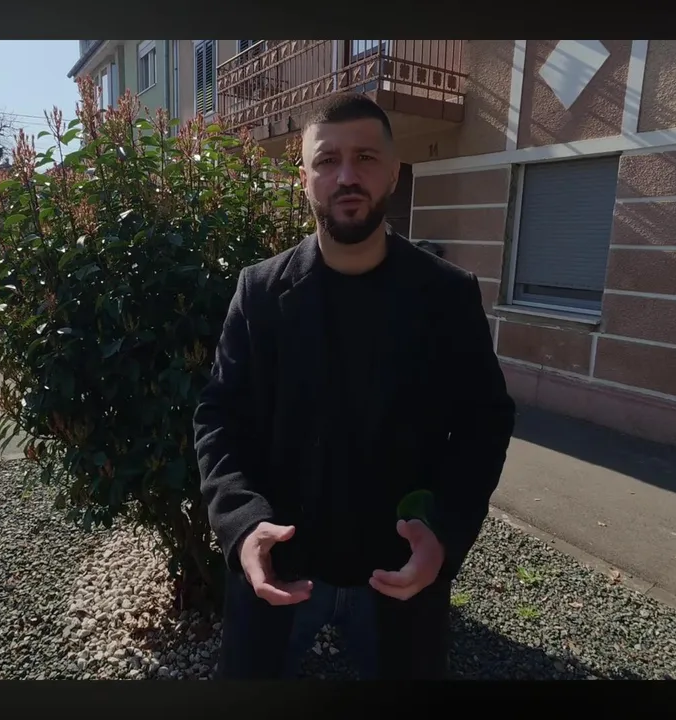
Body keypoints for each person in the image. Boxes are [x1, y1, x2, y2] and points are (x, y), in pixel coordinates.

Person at [193, 93, 517, 680]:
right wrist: (242, 526)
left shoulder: (446, 296)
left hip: (398, 572)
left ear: (394, 172)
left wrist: (443, 533)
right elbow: (219, 417)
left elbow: (484, 422)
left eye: (366, 157)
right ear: (304, 180)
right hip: (283, 564)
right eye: (327, 160)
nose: (346, 176)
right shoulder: (259, 293)